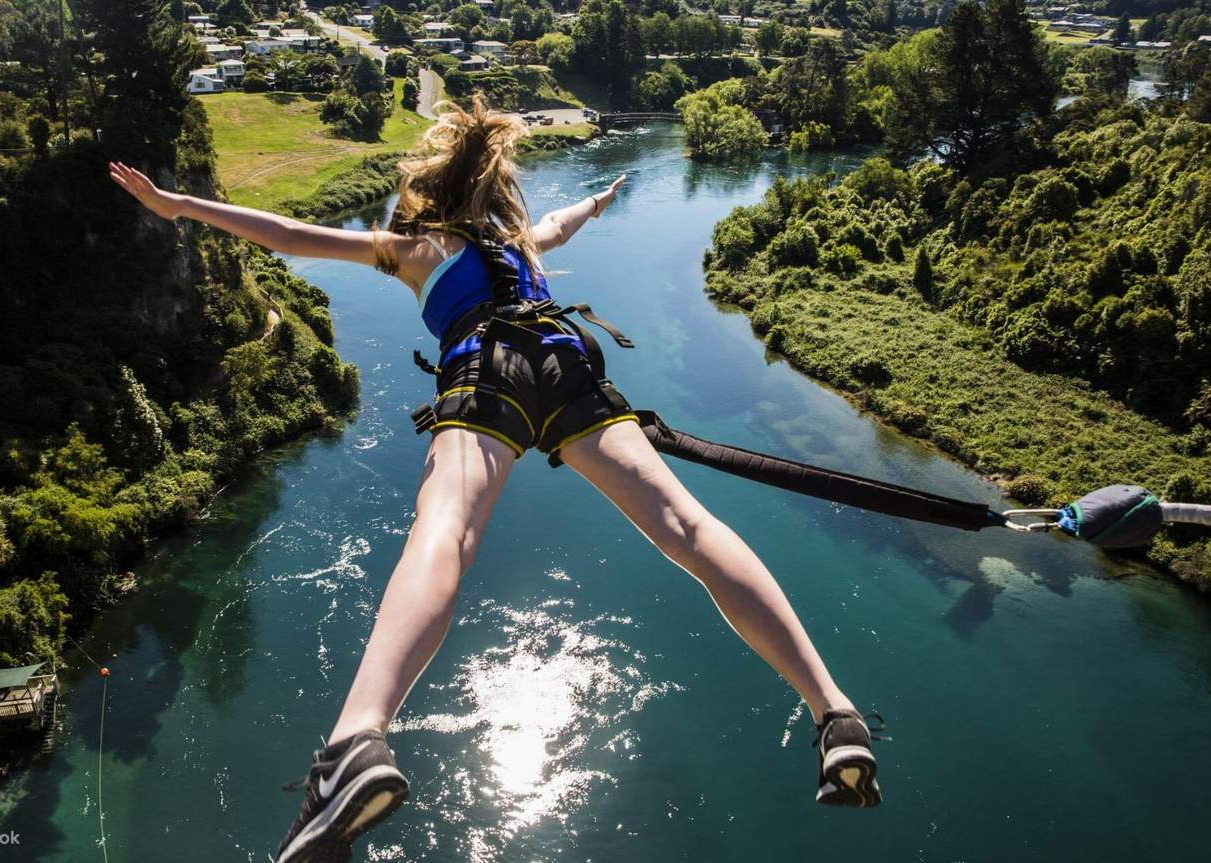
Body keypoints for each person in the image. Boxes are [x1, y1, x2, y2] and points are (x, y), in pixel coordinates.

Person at [108, 96, 884, 863]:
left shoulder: (415, 250)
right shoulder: (522, 249)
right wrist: (601, 198)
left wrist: (175, 204)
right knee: (686, 527)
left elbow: (287, 233)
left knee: (446, 530)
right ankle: (833, 711)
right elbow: (561, 223)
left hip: (488, 370)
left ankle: (354, 741)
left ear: (427, 200)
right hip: (566, 360)